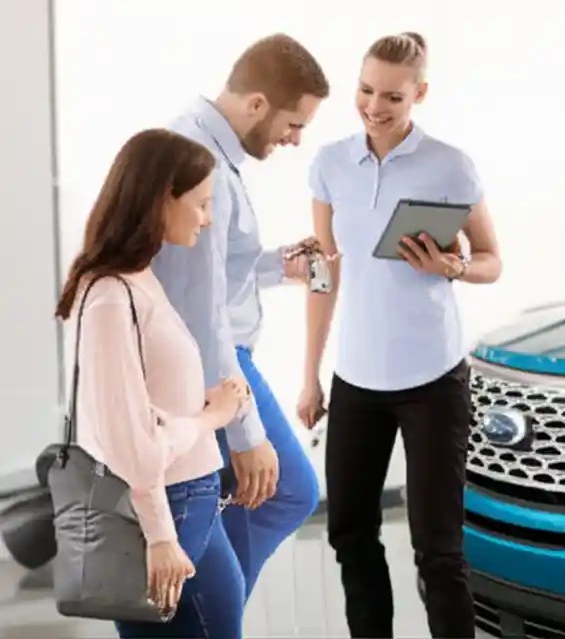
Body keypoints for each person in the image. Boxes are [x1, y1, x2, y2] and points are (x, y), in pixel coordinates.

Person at [298, 31, 502, 638]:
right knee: (350, 535)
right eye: (365, 90)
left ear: (420, 93)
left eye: (392, 95)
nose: (374, 106)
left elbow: (491, 259)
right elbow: (323, 273)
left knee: (438, 552)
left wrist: (454, 266)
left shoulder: (450, 165)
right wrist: (309, 374)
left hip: (433, 381)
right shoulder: (330, 163)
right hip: (357, 377)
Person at [151, 33, 330, 598]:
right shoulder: (197, 160)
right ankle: (208, 611)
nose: (296, 140)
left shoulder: (211, 151)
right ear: (257, 104)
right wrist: (245, 431)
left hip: (221, 354)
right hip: (218, 361)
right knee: (288, 490)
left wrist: (283, 265)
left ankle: (205, 608)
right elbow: (198, 314)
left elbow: (219, 271)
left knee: (253, 496)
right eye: (293, 123)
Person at [54, 128, 253, 638]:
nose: (207, 220)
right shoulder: (108, 298)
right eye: (201, 204)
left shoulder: (139, 278)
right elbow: (134, 448)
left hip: (194, 499)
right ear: (165, 196)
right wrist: (213, 415)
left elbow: (151, 415)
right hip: (170, 509)